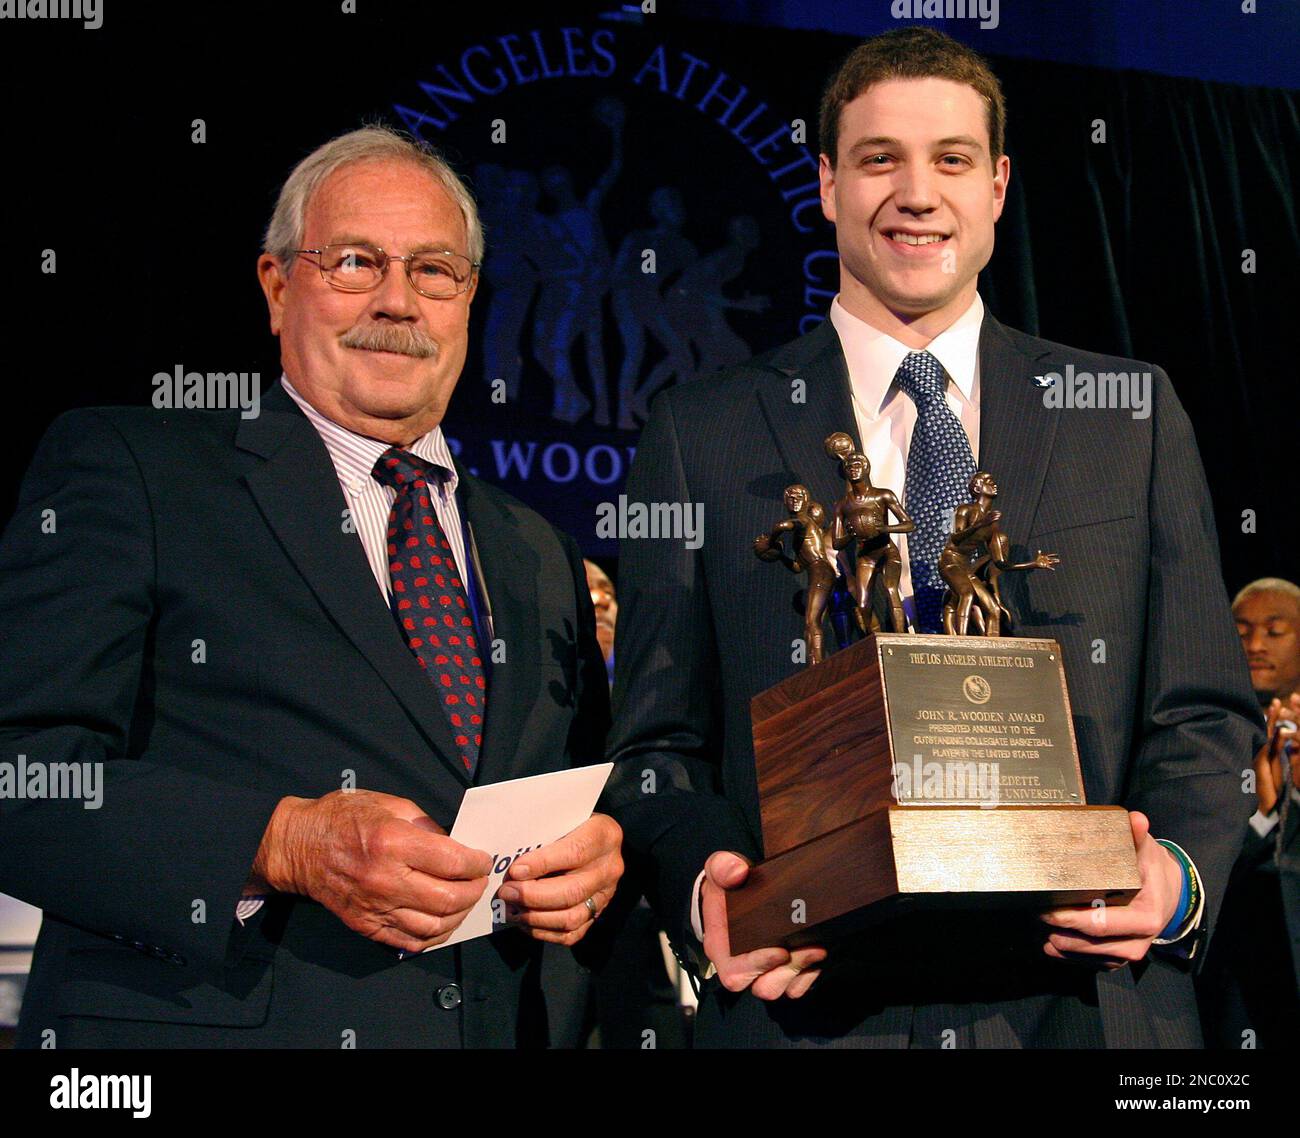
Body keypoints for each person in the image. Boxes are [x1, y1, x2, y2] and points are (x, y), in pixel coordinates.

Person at [604, 27, 1261, 1048]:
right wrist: (714, 888)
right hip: (811, 1008)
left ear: (996, 186)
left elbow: (1205, 714)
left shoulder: (1126, 413)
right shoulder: (701, 432)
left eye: (951, 159)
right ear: (825, 185)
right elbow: (655, 745)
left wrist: (1175, 872)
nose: (918, 194)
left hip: (1088, 1008)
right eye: (879, 159)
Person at [0, 126, 621, 1048]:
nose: (398, 302)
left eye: (435, 271)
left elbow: (576, 793)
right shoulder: (132, 468)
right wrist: (280, 841)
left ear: (469, 300)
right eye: (356, 262)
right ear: (277, 285)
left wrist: (600, 857)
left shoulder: (537, 547)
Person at [1198, 580, 1300, 1047]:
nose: (1256, 645)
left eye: (1276, 631)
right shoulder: (1199, 737)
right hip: (1234, 990)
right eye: (1240, 631)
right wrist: (1260, 813)